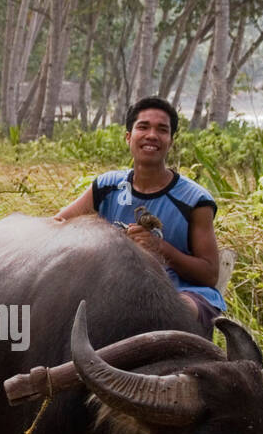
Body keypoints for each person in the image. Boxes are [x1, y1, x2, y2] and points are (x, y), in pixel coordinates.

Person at [53, 96, 224, 334]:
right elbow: (59, 223)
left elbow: (209, 274)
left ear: (171, 141)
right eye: (143, 127)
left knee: (170, 312)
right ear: (128, 137)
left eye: (162, 130)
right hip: (114, 291)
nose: (152, 135)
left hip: (181, 293)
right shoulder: (107, 186)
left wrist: (160, 248)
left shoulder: (194, 200)